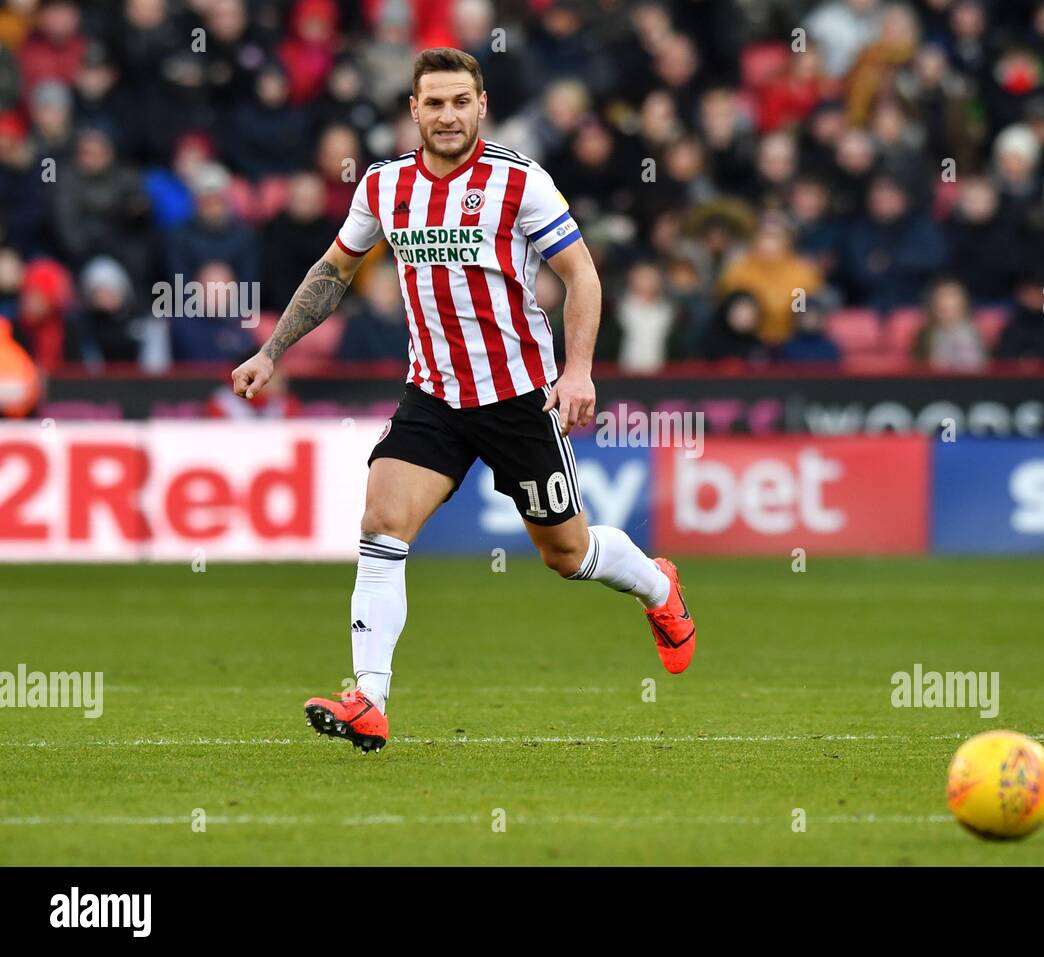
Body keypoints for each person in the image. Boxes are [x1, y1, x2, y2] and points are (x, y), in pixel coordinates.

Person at [230, 49, 695, 755]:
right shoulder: (383, 187)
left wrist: (577, 372)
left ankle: (657, 586)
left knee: (566, 554)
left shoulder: (520, 182)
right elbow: (335, 269)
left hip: (518, 398)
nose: (447, 115)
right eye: (433, 103)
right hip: (435, 393)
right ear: (413, 111)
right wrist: (273, 349)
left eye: (459, 102)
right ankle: (369, 699)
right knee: (382, 524)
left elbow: (583, 276)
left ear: (481, 106)